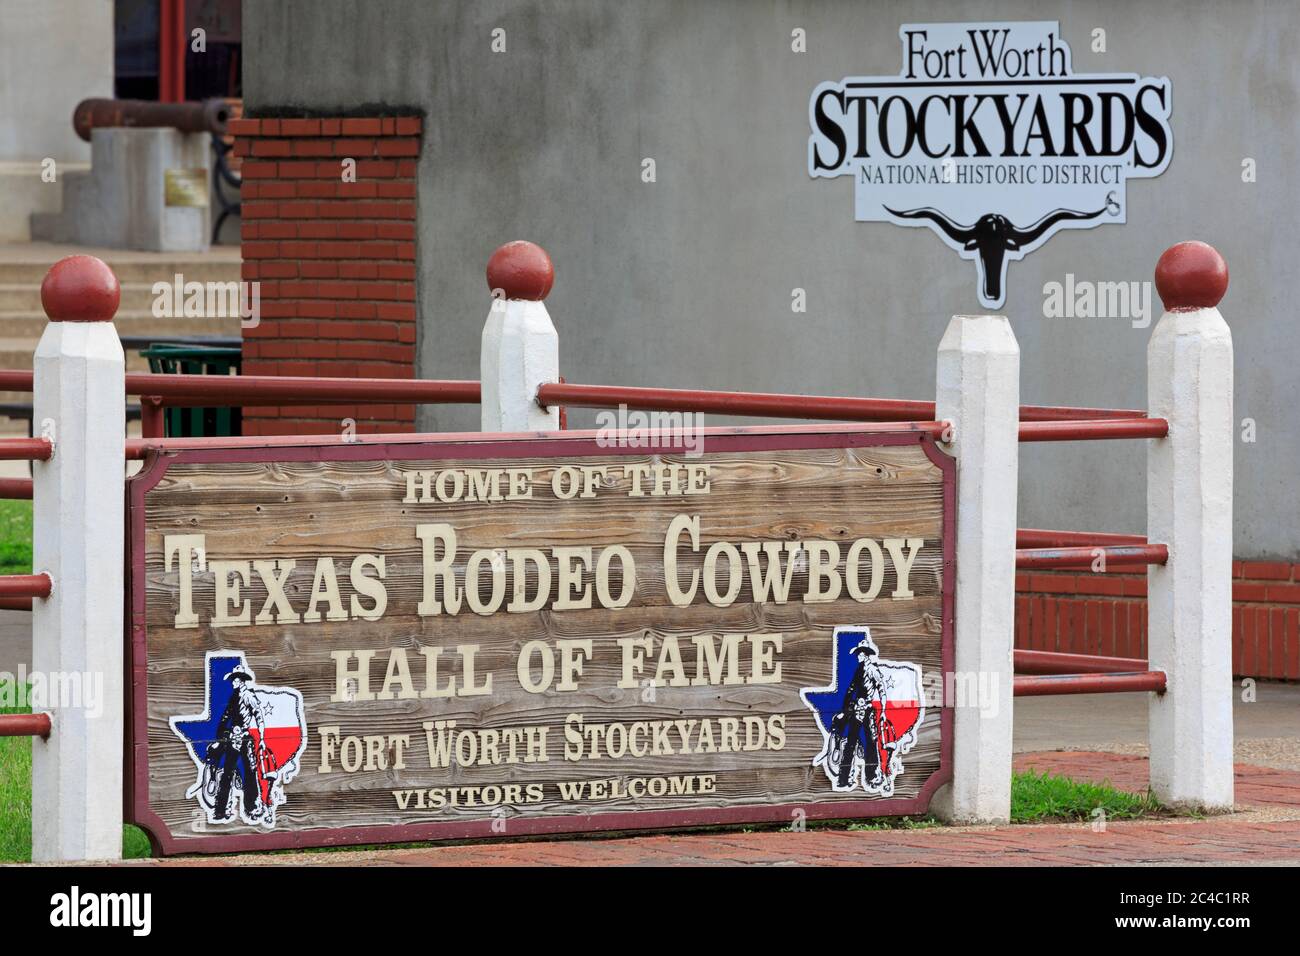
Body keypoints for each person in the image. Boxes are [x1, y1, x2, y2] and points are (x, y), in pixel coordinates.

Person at [207, 666, 268, 822]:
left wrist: (261, 738)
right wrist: (220, 737)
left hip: (246, 739)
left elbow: (259, 716)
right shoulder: (233, 697)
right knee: (227, 772)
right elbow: (225, 717)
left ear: (241, 681)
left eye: (235, 680)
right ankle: (221, 809)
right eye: (233, 679)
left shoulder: (248, 696)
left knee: (249, 773)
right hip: (233, 739)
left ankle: (253, 807)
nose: (233, 682)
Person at [830, 638, 887, 789]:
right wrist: (844, 710)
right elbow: (850, 690)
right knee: (850, 743)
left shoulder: (873, 670)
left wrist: (884, 711)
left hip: (868, 710)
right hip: (856, 710)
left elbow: (882, 690)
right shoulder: (858, 670)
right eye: (858, 654)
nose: (858, 656)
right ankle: (844, 778)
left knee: (870, 743)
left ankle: (872, 776)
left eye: (861, 653)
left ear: (866, 654)